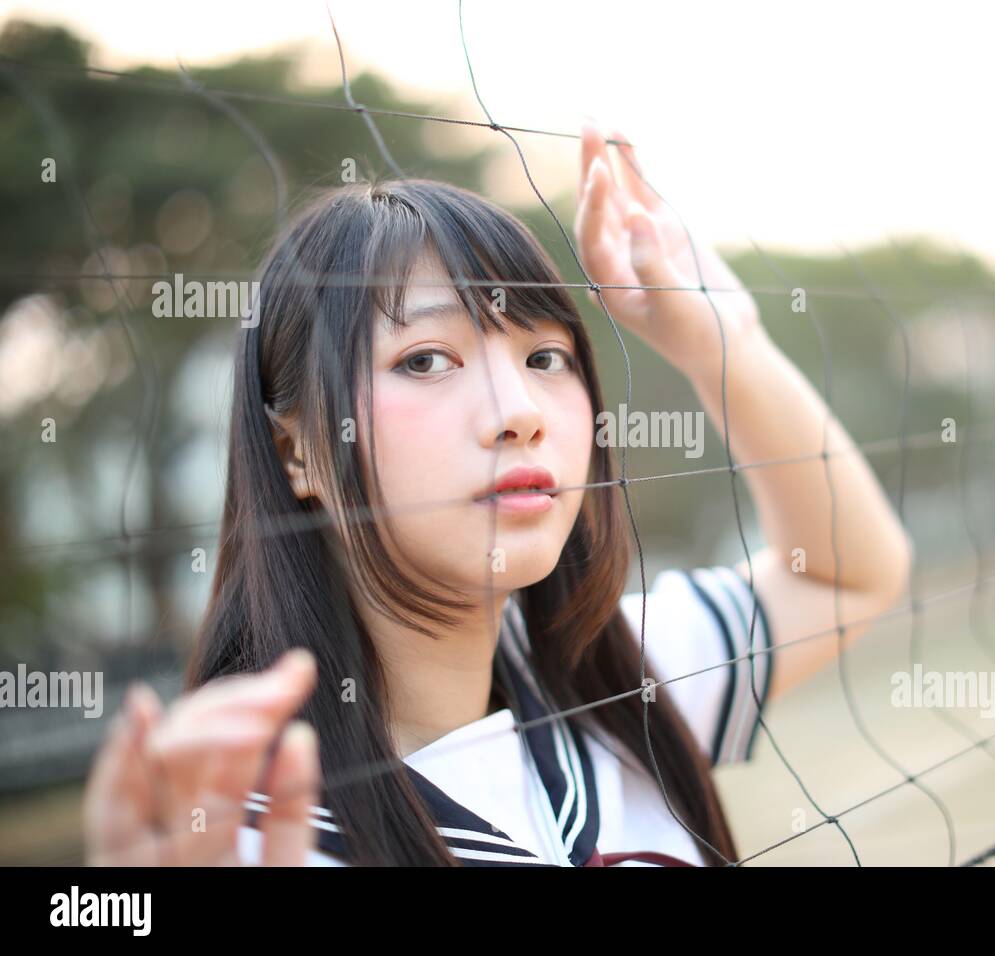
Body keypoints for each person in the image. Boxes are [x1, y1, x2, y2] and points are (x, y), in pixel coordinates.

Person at [82, 122, 912, 866]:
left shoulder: (615, 686)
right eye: (425, 361)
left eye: (544, 358)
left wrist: (727, 341)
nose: (517, 412)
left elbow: (845, 575)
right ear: (297, 451)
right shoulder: (251, 835)